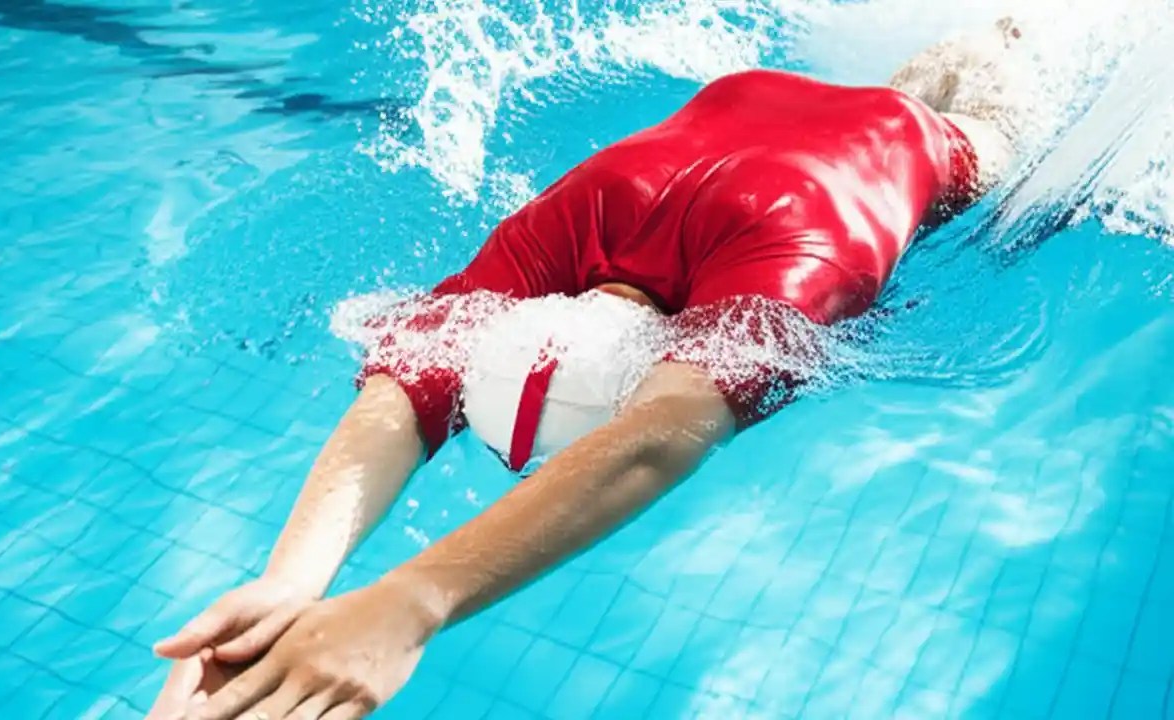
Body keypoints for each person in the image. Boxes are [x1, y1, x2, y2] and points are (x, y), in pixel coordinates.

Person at [148, 17, 1028, 720]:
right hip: (770, 111)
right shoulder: (572, 229)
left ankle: (1023, 38)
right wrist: (287, 583)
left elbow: (656, 436)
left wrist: (414, 604)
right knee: (925, 72)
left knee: (994, 109)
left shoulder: (794, 267)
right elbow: (409, 380)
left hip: (914, 142)